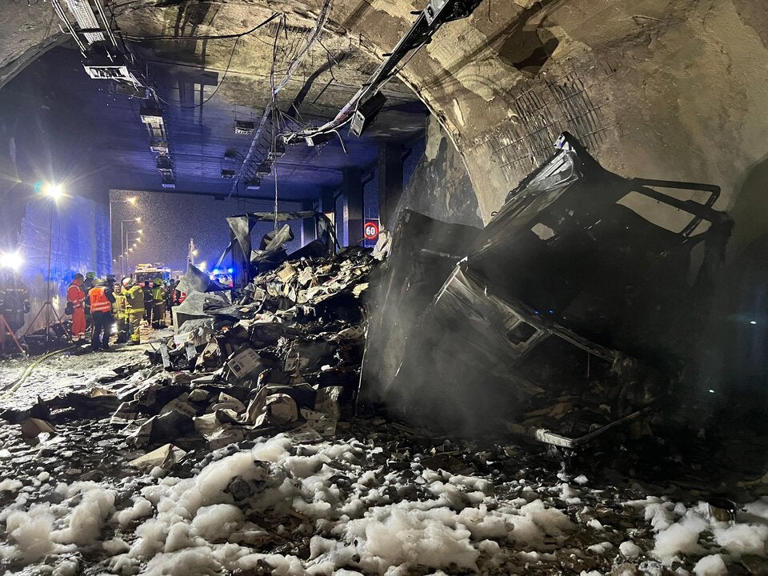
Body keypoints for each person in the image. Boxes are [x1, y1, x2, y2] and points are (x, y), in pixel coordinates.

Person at [0, 271, 30, 352]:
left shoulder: (20, 286)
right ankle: (8, 346)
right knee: (9, 329)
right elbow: (1, 297)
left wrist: (27, 304)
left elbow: (26, 297)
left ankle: (10, 345)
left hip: (16, 313)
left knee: (13, 328)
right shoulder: (6, 285)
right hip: (11, 313)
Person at [87, 278, 115, 351]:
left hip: (95, 313)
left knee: (97, 329)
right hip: (105, 312)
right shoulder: (105, 289)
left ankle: (95, 346)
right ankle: (105, 345)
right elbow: (112, 299)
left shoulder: (90, 291)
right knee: (107, 328)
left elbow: (87, 302)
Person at [122, 277, 145, 345]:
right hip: (134, 310)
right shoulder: (137, 288)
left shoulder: (135, 288)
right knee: (133, 325)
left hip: (134, 310)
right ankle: (134, 339)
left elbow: (128, 295)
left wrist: (123, 291)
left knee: (134, 325)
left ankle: (135, 340)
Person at [66, 273, 87, 342]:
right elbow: (74, 299)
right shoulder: (73, 287)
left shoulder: (77, 287)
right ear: (78, 279)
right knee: (77, 324)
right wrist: (82, 299)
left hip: (80, 308)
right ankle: (76, 339)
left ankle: (81, 338)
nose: (83, 282)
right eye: (82, 280)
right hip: (76, 308)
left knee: (82, 323)